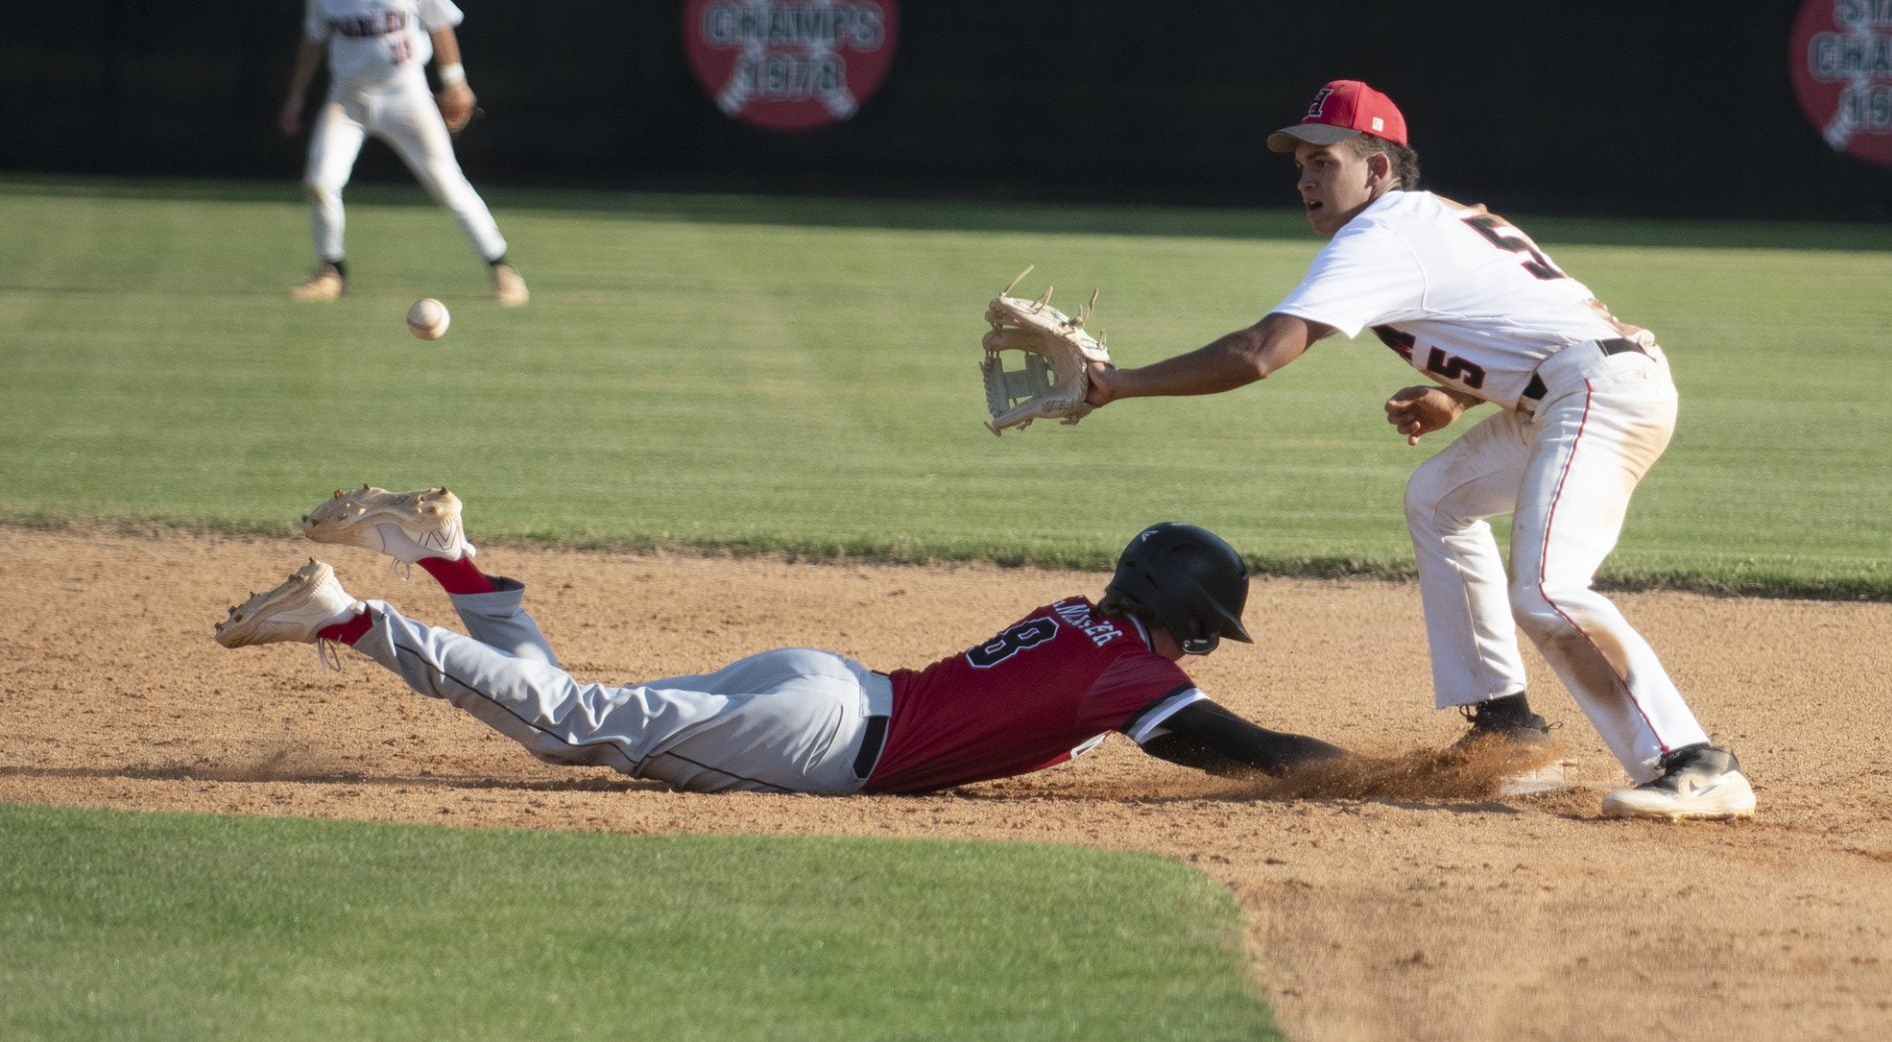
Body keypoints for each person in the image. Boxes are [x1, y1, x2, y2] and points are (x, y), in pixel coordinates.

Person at [1085, 80, 1754, 821]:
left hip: (1597, 393)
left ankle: (1694, 762)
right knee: (1438, 498)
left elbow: (1259, 352)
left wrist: (1117, 384)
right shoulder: (1432, 219)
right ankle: (1509, 730)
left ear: (1377, 169)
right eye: (1300, 164)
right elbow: (1526, 322)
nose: (1305, 180)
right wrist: (1457, 396)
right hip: (1577, 386)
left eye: (1324, 161)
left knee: (1547, 589)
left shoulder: (1381, 232)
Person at [214, 486, 1349, 795]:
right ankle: (350, 615)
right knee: (571, 726)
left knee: (581, 705)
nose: (1198, 655)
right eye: (1204, 634)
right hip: (816, 741)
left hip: (820, 683)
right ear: (1182, 616)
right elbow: (1240, 749)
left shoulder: (1076, 618)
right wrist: (1369, 773)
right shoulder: (1129, 671)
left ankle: (450, 557)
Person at [277, 0, 528, 306]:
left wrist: (455, 80)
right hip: (348, 99)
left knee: (447, 183)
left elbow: (440, 22)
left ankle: (502, 267)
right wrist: (296, 96)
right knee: (321, 182)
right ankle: (331, 271)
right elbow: (313, 38)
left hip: (405, 93)